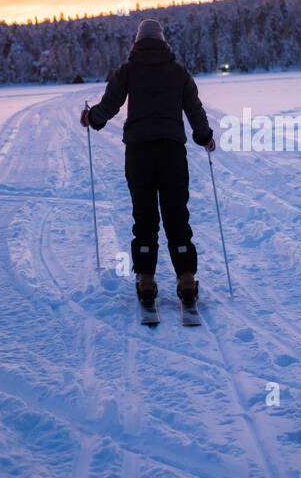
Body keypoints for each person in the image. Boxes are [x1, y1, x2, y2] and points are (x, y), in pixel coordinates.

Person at [82, 18, 215, 307]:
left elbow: (109, 105)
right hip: (172, 153)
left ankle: (145, 281)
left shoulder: (128, 71)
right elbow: (195, 109)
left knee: (144, 218)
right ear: (163, 41)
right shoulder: (178, 72)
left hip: (138, 153)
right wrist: (204, 137)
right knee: (177, 214)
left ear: (138, 42)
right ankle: (187, 280)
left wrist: (92, 118)